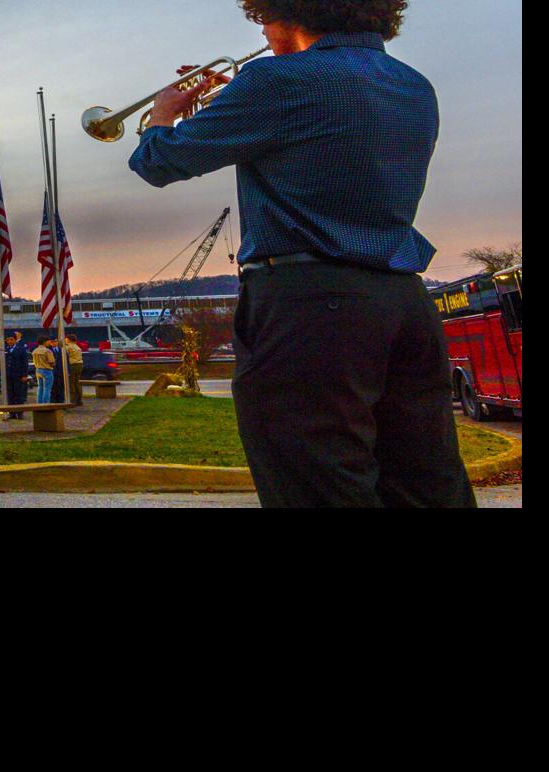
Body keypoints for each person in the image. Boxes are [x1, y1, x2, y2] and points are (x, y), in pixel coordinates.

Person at [126, 0, 474, 508]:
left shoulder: (273, 81)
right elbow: (325, 133)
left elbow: (160, 162)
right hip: (403, 301)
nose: (264, 34)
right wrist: (240, 103)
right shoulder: (413, 85)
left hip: (308, 304)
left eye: (265, 19)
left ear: (291, 13)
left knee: (316, 481)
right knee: (426, 479)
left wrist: (162, 117)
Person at [2, 332, 31, 418]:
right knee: (10, 395)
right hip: (8, 375)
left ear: (15, 340)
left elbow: (25, 363)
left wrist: (24, 375)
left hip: (18, 375)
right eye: (8, 340)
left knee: (19, 395)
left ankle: (20, 413)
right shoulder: (5, 349)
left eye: (11, 339)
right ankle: (12, 413)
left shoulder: (21, 349)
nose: (9, 341)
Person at [32, 335, 57, 404]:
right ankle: (45, 404)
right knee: (47, 388)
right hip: (47, 370)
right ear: (44, 342)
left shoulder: (35, 351)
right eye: (48, 341)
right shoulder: (47, 351)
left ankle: (39, 403)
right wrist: (54, 363)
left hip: (38, 370)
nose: (49, 342)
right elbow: (52, 362)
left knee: (40, 388)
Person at [64, 335, 85, 405]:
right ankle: (79, 399)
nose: (65, 340)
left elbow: (63, 352)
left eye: (66, 339)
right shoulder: (77, 346)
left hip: (72, 365)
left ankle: (72, 400)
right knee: (77, 383)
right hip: (79, 365)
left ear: (69, 340)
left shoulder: (68, 347)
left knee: (71, 383)